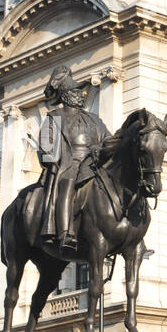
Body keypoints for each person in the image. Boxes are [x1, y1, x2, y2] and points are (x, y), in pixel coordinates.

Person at [36, 65, 112, 252]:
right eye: (76, 91)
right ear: (66, 95)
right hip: (68, 163)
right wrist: (53, 157)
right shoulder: (54, 118)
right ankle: (64, 233)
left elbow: (108, 140)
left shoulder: (94, 120)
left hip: (93, 161)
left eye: (80, 91)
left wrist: (105, 150)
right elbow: (45, 146)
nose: (81, 94)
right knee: (68, 182)